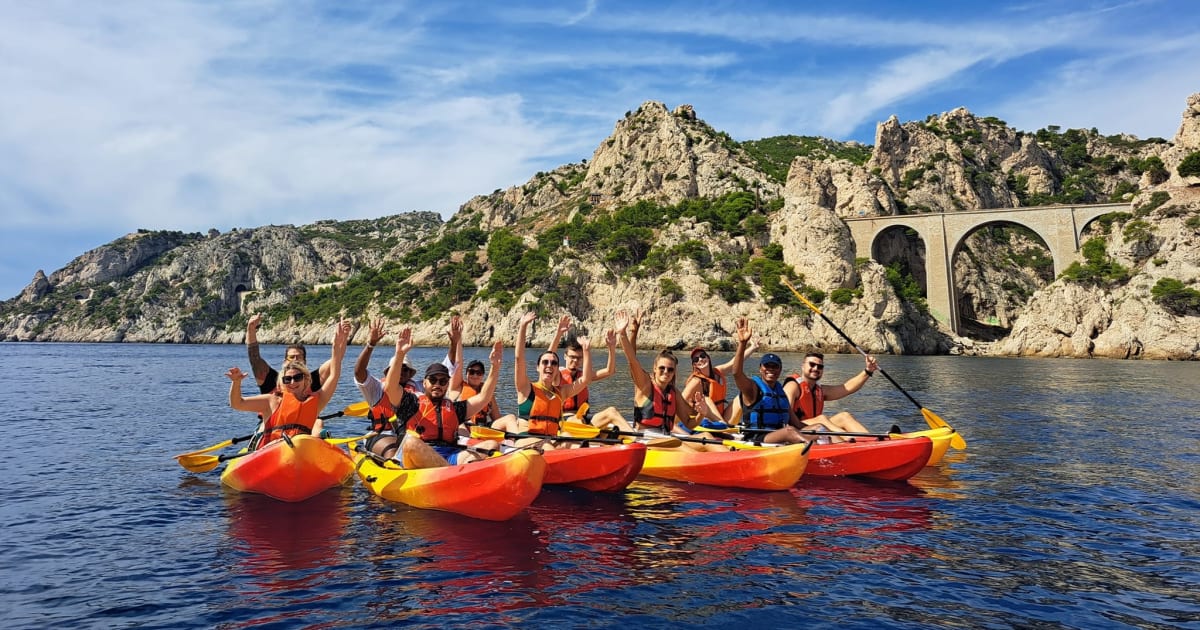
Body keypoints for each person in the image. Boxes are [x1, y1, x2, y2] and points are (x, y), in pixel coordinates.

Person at [381, 327, 503, 468]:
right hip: (418, 456)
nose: (437, 384)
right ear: (424, 383)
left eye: (443, 381)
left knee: (491, 444)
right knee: (410, 442)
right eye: (433, 380)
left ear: (447, 385)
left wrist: (495, 367)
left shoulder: (455, 409)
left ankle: (458, 472)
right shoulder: (411, 403)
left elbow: (484, 398)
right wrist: (400, 354)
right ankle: (455, 473)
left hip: (450, 455)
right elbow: (390, 388)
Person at [590, 310, 712, 448]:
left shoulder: (674, 393)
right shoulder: (645, 384)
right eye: (662, 368)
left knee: (707, 437)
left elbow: (689, 424)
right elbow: (632, 360)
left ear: (674, 372)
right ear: (654, 368)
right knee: (683, 448)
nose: (666, 372)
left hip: (666, 437)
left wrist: (702, 414)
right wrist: (623, 334)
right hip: (645, 440)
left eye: (670, 369)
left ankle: (730, 458)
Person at [227, 319, 350, 449]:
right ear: (284, 362)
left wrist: (340, 341)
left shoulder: (315, 396)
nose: (292, 382)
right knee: (264, 426)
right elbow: (254, 360)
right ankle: (258, 442)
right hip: (272, 443)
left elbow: (335, 367)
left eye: (297, 378)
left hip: (301, 446)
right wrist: (236, 382)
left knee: (318, 423)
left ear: (306, 378)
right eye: (287, 379)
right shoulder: (271, 393)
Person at [490, 312, 593, 450]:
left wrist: (586, 351)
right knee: (547, 445)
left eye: (554, 363)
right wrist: (523, 326)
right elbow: (519, 358)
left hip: (550, 441)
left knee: (570, 438)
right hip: (526, 442)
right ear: (538, 367)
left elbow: (585, 379)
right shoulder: (525, 388)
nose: (549, 365)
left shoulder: (561, 393)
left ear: (557, 369)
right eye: (545, 362)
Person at [729, 318, 812, 445]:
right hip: (756, 438)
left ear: (780, 370)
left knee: (818, 428)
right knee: (789, 431)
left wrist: (816, 430)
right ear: (760, 369)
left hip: (780, 437)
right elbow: (736, 373)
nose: (771, 369)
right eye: (767, 366)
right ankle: (816, 451)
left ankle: (837, 449)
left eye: (775, 366)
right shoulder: (752, 389)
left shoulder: (780, 393)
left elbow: (797, 424)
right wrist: (742, 343)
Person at [782, 350, 878, 440]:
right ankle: (850, 440)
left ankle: (871, 441)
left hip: (815, 428)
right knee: (821, 419)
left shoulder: (820, 390)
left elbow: (847, 388)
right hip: (796, 430)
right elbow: (785, 415)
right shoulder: (792, 386)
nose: (816, 368)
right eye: (812, 364)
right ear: (803, 366)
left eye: (820, 367)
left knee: (844, 416)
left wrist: (868, 370)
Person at [546, 315, 619, 423]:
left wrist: (611, 348)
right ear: (565, 356)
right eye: (572, 357)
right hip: (564, 418)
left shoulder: (585, 375)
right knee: (578, 420)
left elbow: (610, 371)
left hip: (585, 416)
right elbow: (548, 357)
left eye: (579, 358)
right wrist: (558, 334)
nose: (575, 361)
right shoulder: (557, 375)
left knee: (612, 412)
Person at [245, 313, 334, 395]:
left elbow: (335, 361)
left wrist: (340, 340)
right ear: (285, 362)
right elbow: (254, 358)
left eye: (299, 357)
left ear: (305, 362)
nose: (295, 360)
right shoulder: (271, 381)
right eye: (291, 357)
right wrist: (251, 329)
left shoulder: (312, 381)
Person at [681, 340, 757, 427]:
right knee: (705, 399)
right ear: (695, 365)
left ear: (708, 358)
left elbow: (734, 362)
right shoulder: (696, 381)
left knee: (743, 396)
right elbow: (680, 401)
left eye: (702, 356)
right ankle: (722, 425)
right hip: (705, 422)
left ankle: (753, 423)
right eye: (696, 359)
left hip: (722, 417)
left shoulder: (718, 371)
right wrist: (692, 413)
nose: (700, 359)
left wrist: (753, 347)